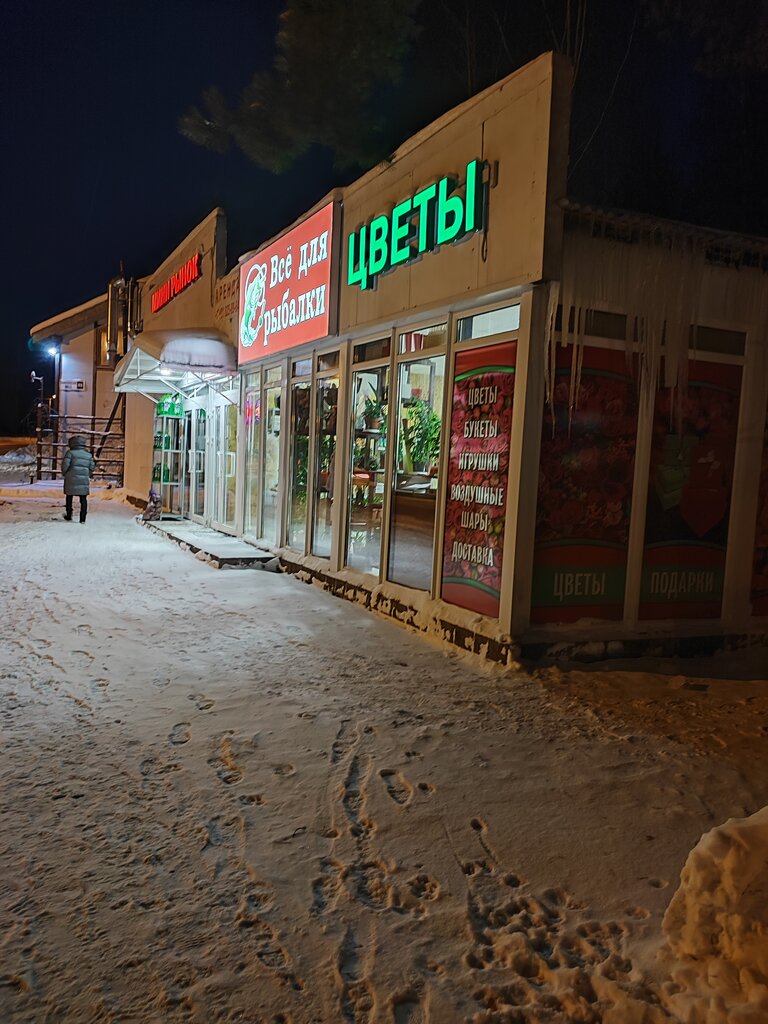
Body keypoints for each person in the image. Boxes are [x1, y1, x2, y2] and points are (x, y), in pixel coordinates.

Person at [61, 435, 96, 523]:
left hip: (71, 478)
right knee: (83, 499)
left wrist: (65, 473)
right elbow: (92, 467)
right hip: (83, 479)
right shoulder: (88, 455)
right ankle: (82, 518)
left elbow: (65, 465)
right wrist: (87, 474)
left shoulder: (70, 453)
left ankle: (69, 515)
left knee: (69, 497)